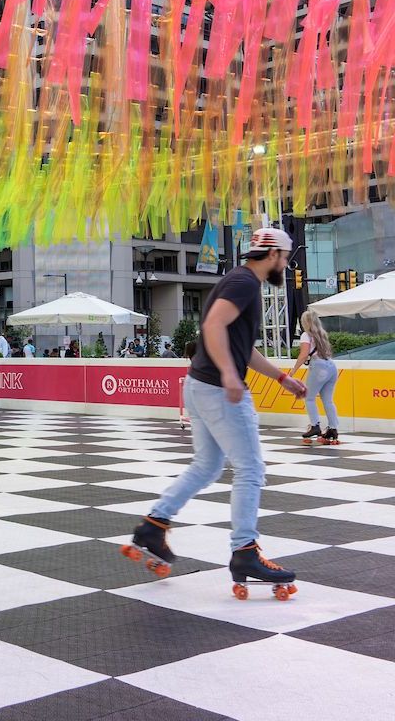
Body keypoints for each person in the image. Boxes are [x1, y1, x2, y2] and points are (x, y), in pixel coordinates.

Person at [128, 228, 307, 589]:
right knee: (251, 469)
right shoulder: (243, 283)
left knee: (207, 466)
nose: (285, 266)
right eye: (285, 258)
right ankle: (244, 549)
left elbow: (242, 346)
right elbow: (212, 325)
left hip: (199, 385)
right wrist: (228, 374)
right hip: (215, 387)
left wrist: (279, 378)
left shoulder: (240, 281)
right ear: (272, 254)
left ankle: (153, 526)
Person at [291, 309, 340, 444]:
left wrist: (293, 371)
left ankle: (315, 425)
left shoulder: (306, 335)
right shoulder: (322, 334)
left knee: (309, 398)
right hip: (331, 366)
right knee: (328, 401)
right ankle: (333, 428)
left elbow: (304, 354)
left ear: (305, 322)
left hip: (318, 367)